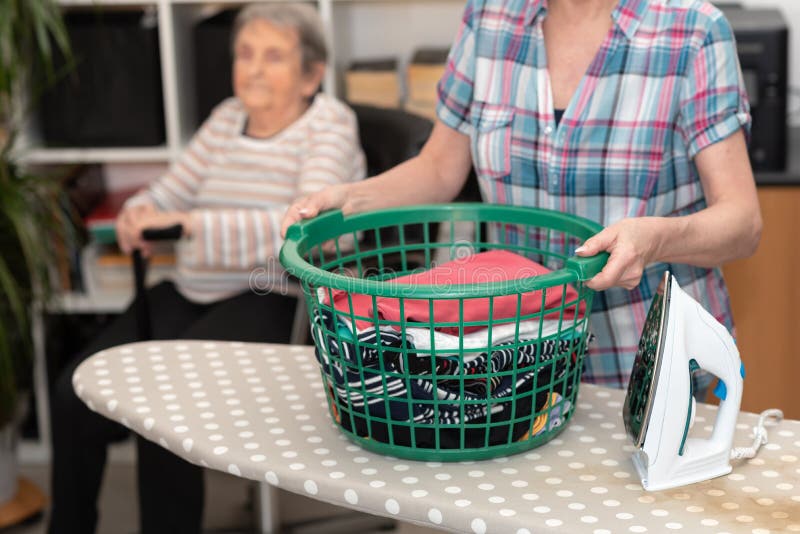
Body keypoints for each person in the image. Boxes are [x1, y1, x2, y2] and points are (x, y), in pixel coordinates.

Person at [281, 0, 761, 397]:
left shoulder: (692, 31)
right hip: (519, 363)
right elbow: (438, 169)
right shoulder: (489, 18)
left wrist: (654, 239)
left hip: (652, 361)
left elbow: (742, 223)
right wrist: (346, 199)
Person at [49, 3, 365, 533]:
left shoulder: (329, 124)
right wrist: (138, 213)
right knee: (73, 390)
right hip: (191, 287)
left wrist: (192, 225)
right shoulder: (225, 118)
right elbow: (169, 190)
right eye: (245, 53)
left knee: (163, 410)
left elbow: (300, 228)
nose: (255, 69)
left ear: (311, 75)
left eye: (274, 56)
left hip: (272, 295)